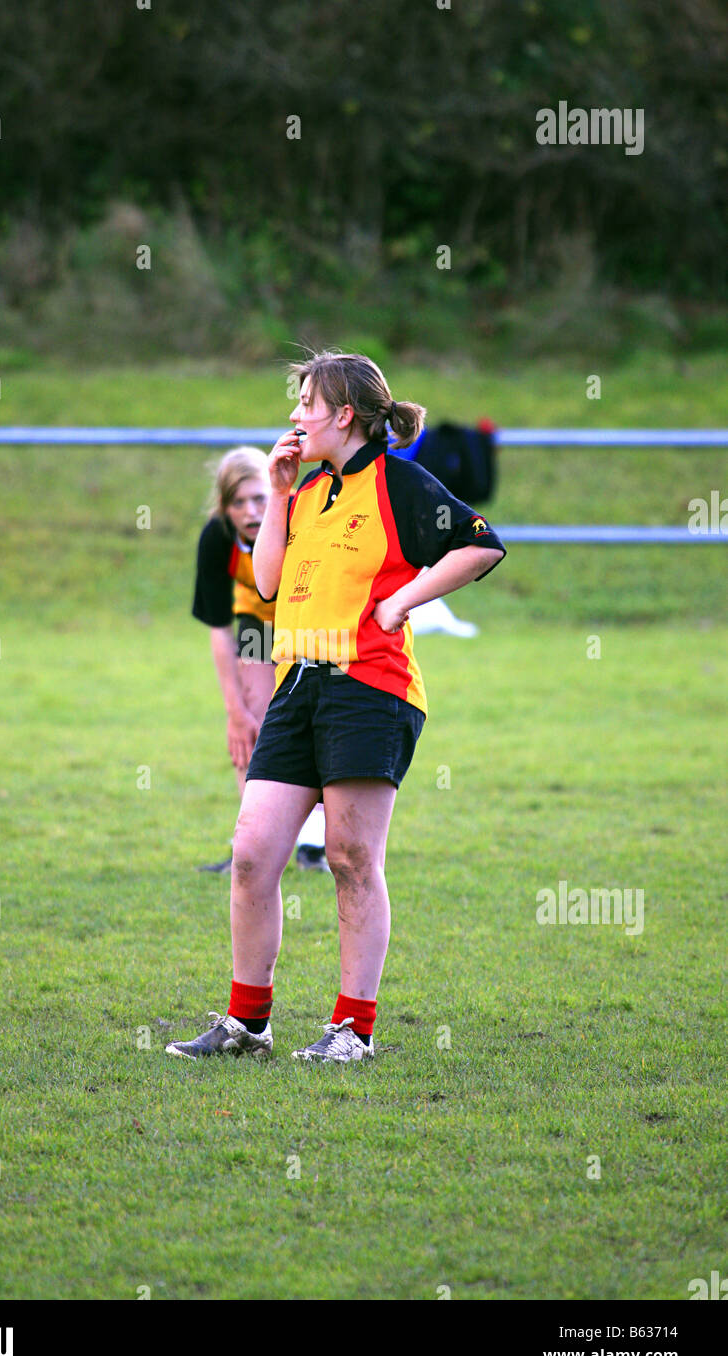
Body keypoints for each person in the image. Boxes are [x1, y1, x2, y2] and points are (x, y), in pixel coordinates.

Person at [167, 352, 505, 1063]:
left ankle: (352, 1031)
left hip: (370, 690)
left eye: (305, 404)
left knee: (352, 857)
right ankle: (247, 1026)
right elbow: (264, 581)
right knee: (254, 855)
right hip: (297, 688)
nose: (294, 417)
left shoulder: (399, 482)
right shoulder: (307, 489)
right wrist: (280, 490)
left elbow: (481, 546)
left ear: (343, 415)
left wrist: (403, 600)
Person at [191, 446, 327, 872]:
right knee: (251, 726)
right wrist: (234, 713)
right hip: (257, 624)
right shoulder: (217, 539)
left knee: (322, 728)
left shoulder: (300, 518)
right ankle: (247, 848)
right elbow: (219, 630)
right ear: (224, 507)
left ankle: (315, 845)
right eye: (238, 502)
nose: (251, 511)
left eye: (259, 499)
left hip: (312, 624)